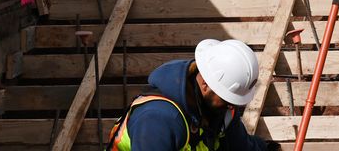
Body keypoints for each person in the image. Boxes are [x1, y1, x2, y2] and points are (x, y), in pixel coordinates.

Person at [106, 37, 275, 150]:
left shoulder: (218, 109)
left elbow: (242, 146)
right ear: (205, 85)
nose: (232, 106)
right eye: (227, 99)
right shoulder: (158, 119)